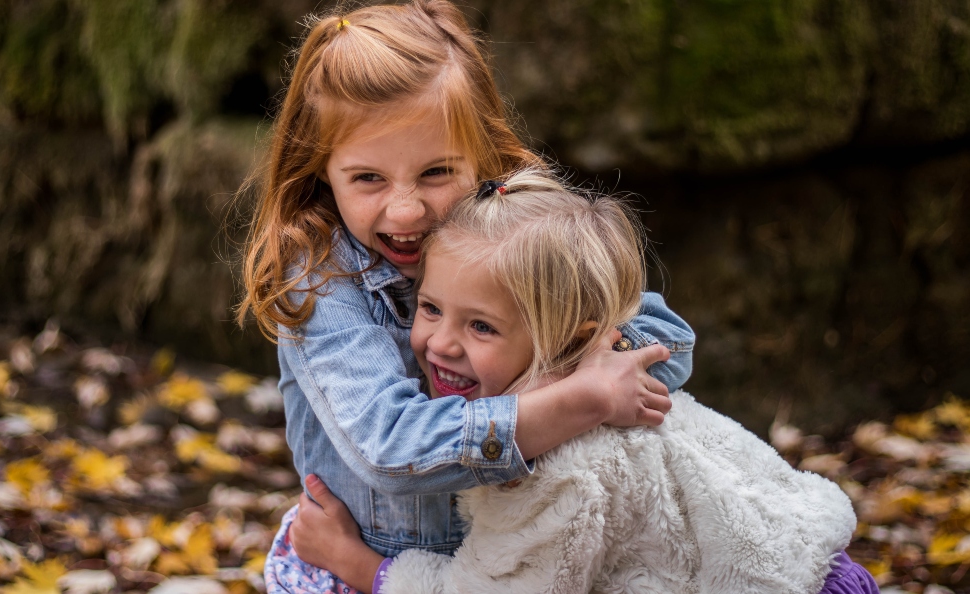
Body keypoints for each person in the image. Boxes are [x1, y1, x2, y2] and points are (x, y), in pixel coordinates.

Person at [237, 2, 696, 593]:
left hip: (509, 563)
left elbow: (668, 343)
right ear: (322, 170)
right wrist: (576, 400)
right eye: (368, 178)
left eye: (435, 173)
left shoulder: (514, 235)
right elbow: (390, 447)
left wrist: (565, 368)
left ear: (482, 154)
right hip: (371, 567)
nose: (406, 211)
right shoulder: (323, 280)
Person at [289, 170, 879, 594]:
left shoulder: (554, 464)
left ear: (571, 337)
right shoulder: (617, 375)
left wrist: (358, 565)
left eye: (482, 327)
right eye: (431, 308)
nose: (441, 343)